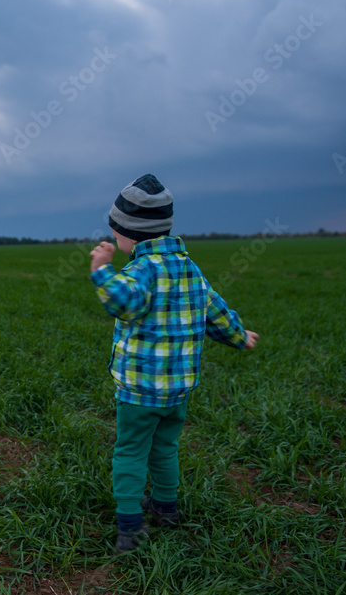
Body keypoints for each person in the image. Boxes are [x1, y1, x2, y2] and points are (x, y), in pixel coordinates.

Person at [88, 173, 259, 553]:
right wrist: (240, 336)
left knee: (130, 451)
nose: (115, 239)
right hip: (177, 391)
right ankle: (166, 509)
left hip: (139, 391)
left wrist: (102, 268)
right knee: (165, 449)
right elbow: (215, 311)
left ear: (129, 234)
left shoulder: (140, 271)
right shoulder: (190, 268)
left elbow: (123, 302)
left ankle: (130, 528)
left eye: (116, 231)